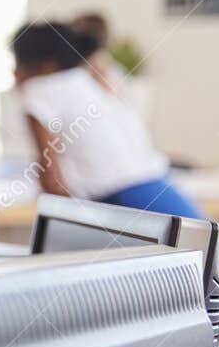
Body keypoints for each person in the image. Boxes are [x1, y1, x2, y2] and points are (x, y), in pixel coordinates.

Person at [10, 21, 202, 218]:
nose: (13, 72)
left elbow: (50, 180)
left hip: (126, 202)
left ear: (45, 65)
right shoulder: (87, 83)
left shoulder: (38, 90)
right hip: (165, 196)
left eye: (17, 63)